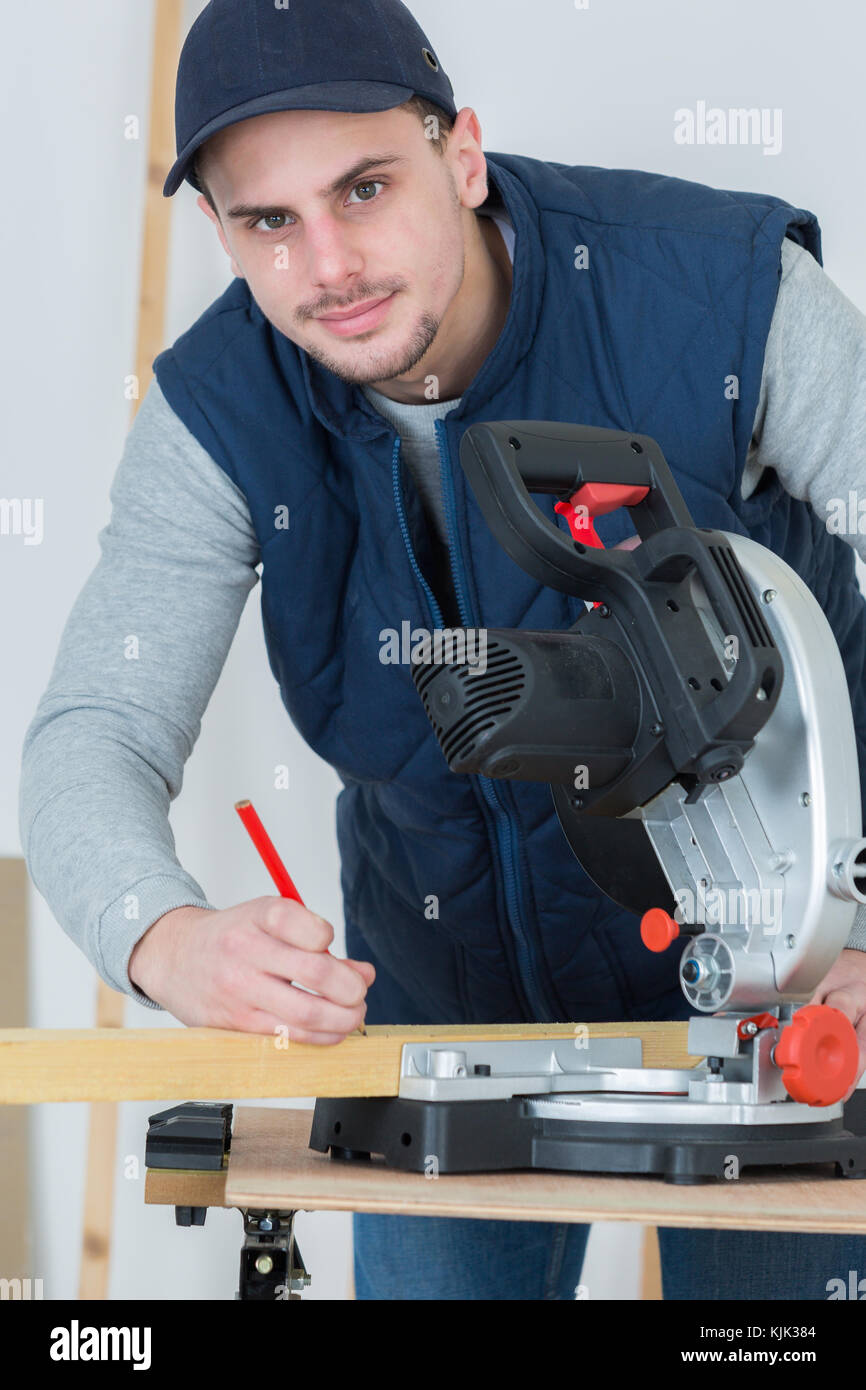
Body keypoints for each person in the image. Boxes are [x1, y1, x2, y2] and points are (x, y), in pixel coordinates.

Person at [19, 0, 866, 1300]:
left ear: (460, 155)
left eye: (364, 186)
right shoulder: (215, 409)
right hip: (439, 1010)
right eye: (270, 221)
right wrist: (168, 935)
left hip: (791, 989)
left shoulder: (723, 295)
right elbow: (95, 731)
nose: (331, 261)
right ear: (217, 233)